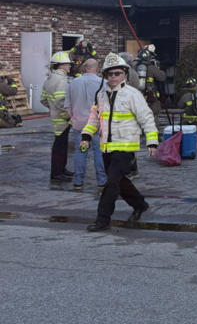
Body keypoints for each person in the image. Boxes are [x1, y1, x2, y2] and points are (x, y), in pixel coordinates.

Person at [81, 53, 158, 232]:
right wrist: (86, 135)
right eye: (110, 74)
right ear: (105, 76)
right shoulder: (100, 95)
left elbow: (146, 118)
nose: (113, 77)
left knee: (111, 184)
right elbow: (94, 118)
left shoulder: (133, 95)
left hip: (125, 147)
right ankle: (140, 204)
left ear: (125, 73)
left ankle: (102, 220)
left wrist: (152, 141)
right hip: (106, 147)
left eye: (117, 73)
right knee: (120, 182)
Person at [64, 58, 106, 191]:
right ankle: (102, 182)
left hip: (80, 126)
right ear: (97, 68)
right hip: (98, 126)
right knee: (99, 153)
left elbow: (67, 106)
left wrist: (74, 118)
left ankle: (78, 182)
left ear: (84, 68)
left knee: (81, 152)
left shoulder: (73, 83)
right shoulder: (103, 83)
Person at [41, 51, 73, 183]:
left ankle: (61, 169)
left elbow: (43, 100)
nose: (70, 66)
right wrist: (67, 115)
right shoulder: (61, 80)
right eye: (68, 64)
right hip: (63, 119)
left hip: (56, 117)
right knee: (60, 146)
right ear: (61, 65)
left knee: (61, 145)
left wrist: (53, 109)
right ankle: (57, 173)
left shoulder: (49, 79)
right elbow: (61, 101)